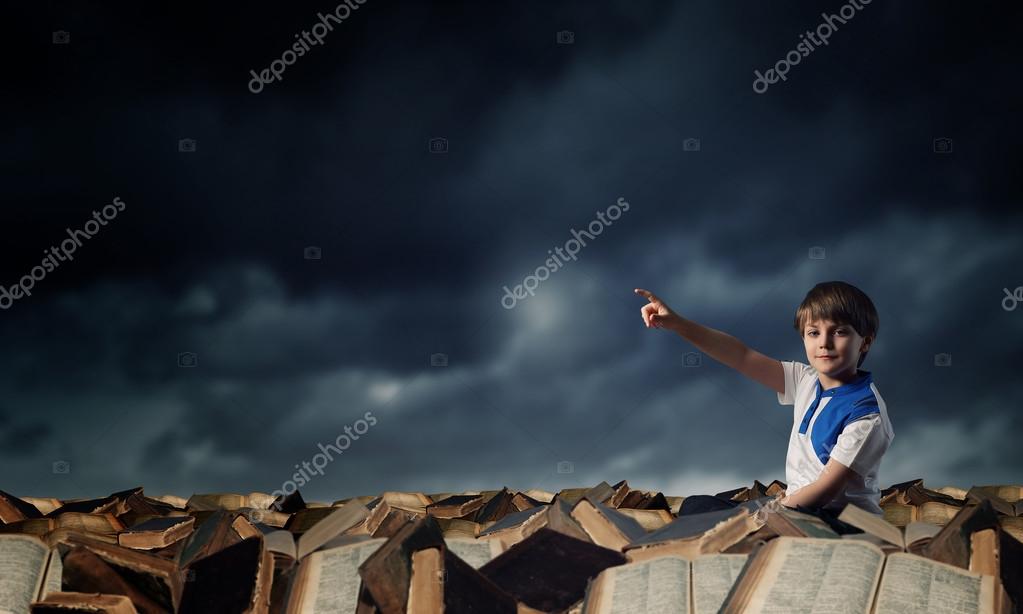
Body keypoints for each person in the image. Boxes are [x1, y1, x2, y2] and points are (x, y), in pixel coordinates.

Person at [635, 280, 894, 523]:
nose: (824, 343)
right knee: (697, 506)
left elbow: (826, 488)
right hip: (797, 507)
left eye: (839, 332)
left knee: (724, 519)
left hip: (838, 520)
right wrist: (678, 323)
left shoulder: (866, 415)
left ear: (865, 342)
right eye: (814, 332)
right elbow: (741, 356)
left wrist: (768, 517)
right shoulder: (806, 380)